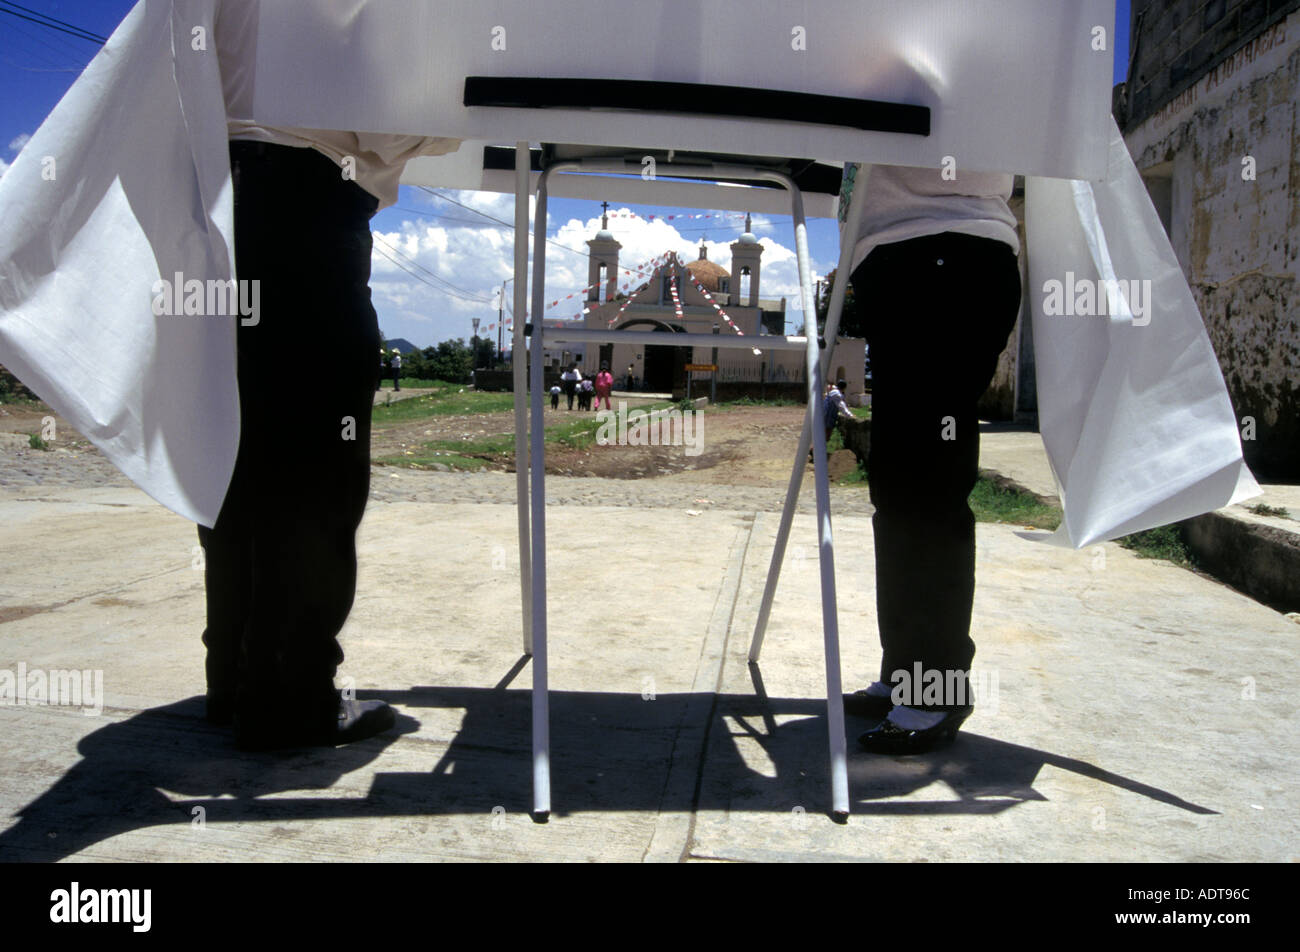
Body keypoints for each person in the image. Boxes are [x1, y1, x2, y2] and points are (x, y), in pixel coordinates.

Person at [199, 1, 461, 750]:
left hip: (217, 200)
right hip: (303, 208)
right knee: (315, 467)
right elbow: (383, 121)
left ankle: (238, 680)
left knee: (234, 455)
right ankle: (291, 696)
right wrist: (457, 116)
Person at [840, 163, 1021, 754]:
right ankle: (908, 675)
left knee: (926, 486)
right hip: (910, 255)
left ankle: (936, 687)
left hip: (943, 254)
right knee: (898, 485)